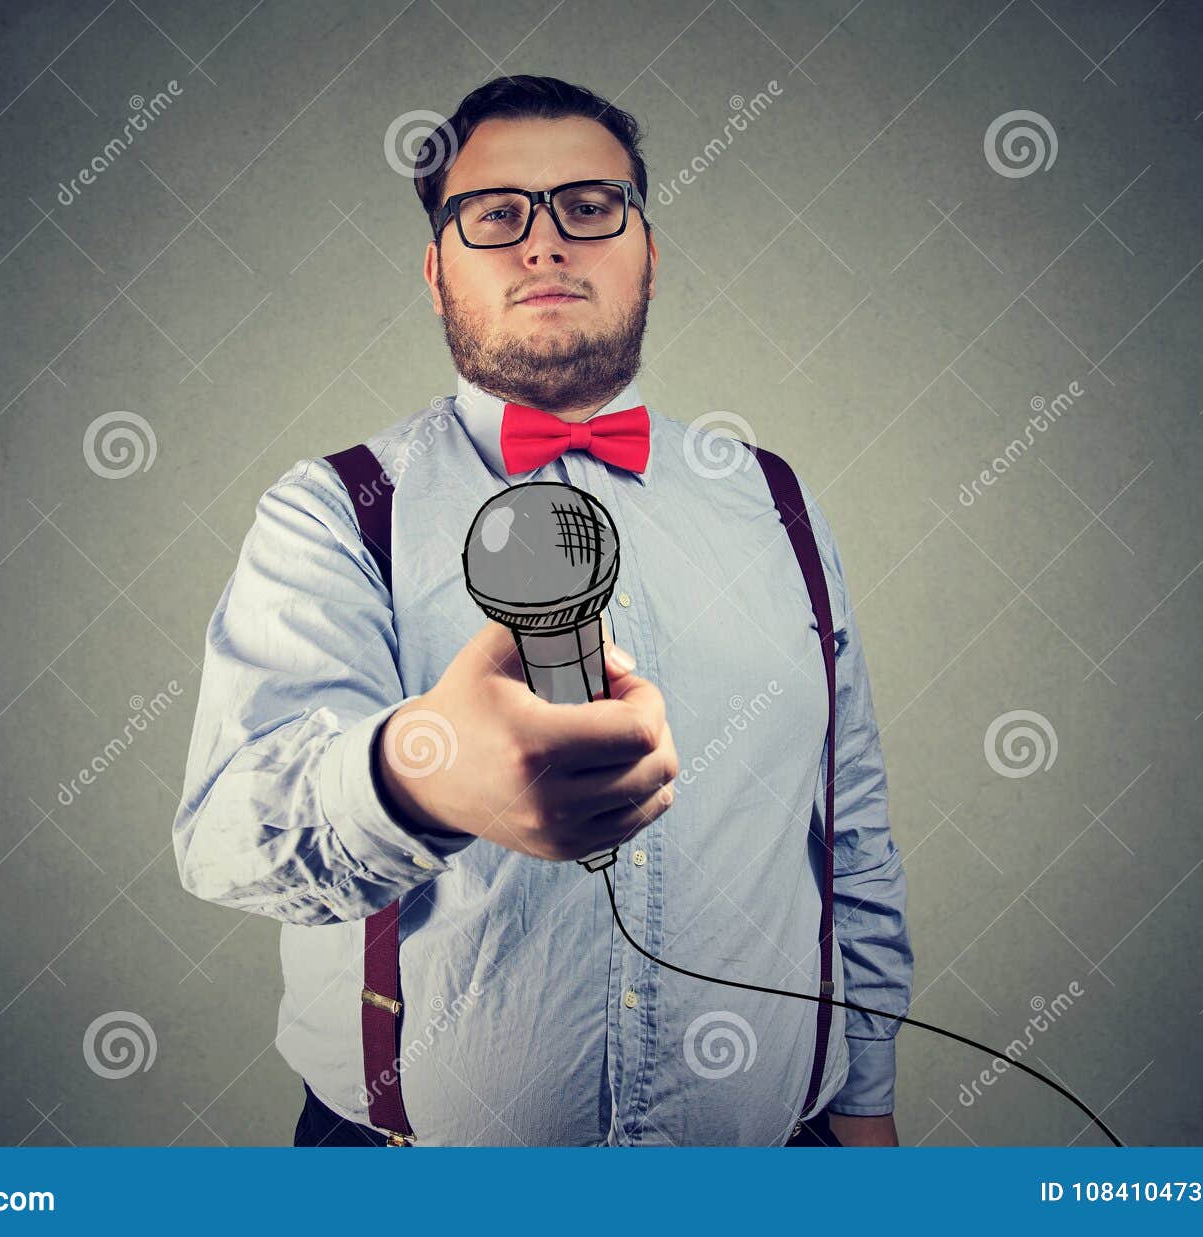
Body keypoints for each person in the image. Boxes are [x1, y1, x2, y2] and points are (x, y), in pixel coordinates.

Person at [173, 74, 913, 1147]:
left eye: (588, 205)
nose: (543, 244)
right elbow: (228, 831)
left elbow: (850, 840)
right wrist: (419, 775)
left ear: (647, 250)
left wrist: (867, 1108)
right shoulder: (336, 510)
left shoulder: (778, 503)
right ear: (436, 272)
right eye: (494, 214)